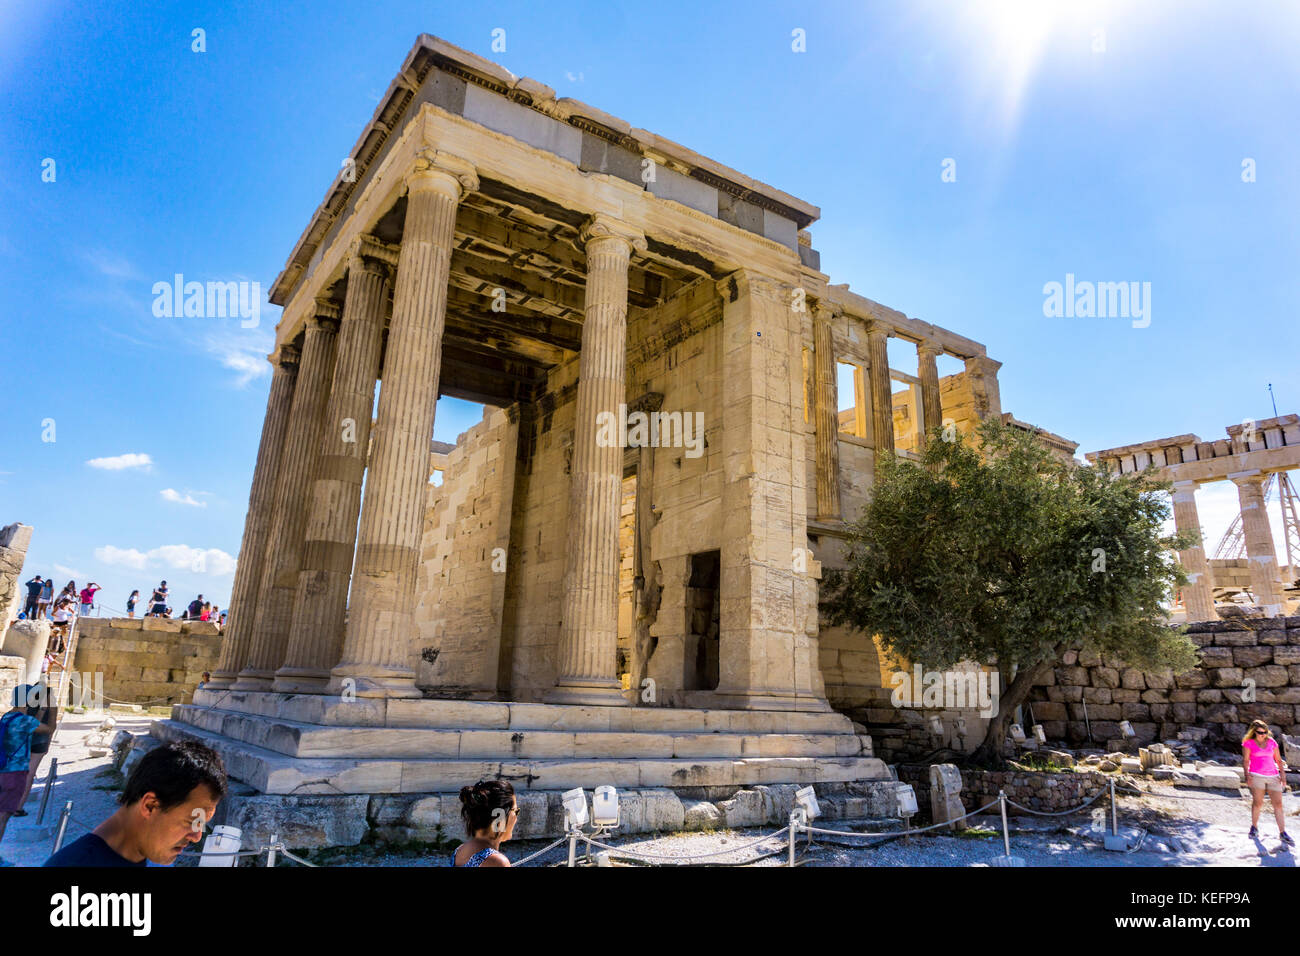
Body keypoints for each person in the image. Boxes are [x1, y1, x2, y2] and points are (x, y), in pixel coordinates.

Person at [44, 739, 227, 867]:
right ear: (150, 806)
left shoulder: (150, 852)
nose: (196, 836)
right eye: (192, 821)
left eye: (202, 825)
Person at [0, 685, 57, 865]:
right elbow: (48, 729)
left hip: (2, 770)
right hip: (14, 774)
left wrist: (40, 711)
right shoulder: (25, 722)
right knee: (3, 816)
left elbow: (31, 728)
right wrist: (52, 710)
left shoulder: (7, 717)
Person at [1243, 719, 1292, 844]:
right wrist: (1247, 776)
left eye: (1265, 732)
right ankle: (1254, 827)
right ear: (1254, 732)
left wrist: (1283, 775)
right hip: (1256, 775)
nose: (1263, 735)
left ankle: (1282, 832)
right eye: (1260, 732)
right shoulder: (1249, 743)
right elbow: (1246, 761)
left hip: (1273, 776)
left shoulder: (1272, 742)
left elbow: (1279, 760)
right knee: (1258, 803)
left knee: (1278, 804)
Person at [450, 779, 517, 867]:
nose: (516, 817)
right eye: (516, 811)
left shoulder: (459, 850)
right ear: (499, 817)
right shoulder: (497, 862)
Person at [16, 681, 57, 816]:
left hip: (25, 737)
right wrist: (48, 746)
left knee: (18, 771)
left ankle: (11, 803)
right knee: (29, 774)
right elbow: (52, 727)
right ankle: (19, 807)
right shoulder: (51, 704)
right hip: (41, 739)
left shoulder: (28, 700)